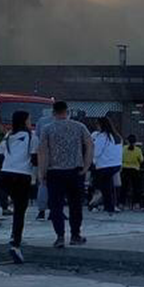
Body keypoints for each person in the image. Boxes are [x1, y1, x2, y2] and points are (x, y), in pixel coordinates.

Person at [36, 101, 93, 248]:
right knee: (75, 205)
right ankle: (75, 235)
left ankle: (60, 236)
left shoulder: (47, 129)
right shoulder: (79, 127)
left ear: (53, 112)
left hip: (54, 172)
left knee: (56, 205)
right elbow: (89, 144)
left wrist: (42, 172)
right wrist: (86, 165)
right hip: (75, 171)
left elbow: (42, 152)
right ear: (67, 111)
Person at [0, 110, 37, 263]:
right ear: (25, 121)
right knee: (20, 211)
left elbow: (0, 155)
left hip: (6, 173)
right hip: (22, 175)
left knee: (14, 205)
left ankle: (15, 236)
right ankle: (15, 242)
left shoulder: (8, 136)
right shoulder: (31, 136)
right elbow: (34, 158)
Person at [87, 117, 123, 214]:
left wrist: (91, 159)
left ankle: (100, 204)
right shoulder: (117, 136)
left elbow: (96, 152)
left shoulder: (102, 137)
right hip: (116, 165)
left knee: (102, 186)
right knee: (109, 186)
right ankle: (110, 205)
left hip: (104, 165)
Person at [121, 135, 144, 209]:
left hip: (125, 169)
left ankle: (121, 203)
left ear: (127, 141)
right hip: (135, 170)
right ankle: (136, 203)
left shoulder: (123, 149)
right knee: (136, 187)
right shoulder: (138, 150)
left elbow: (120, 158)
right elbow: (141, 160)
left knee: (124, 188)